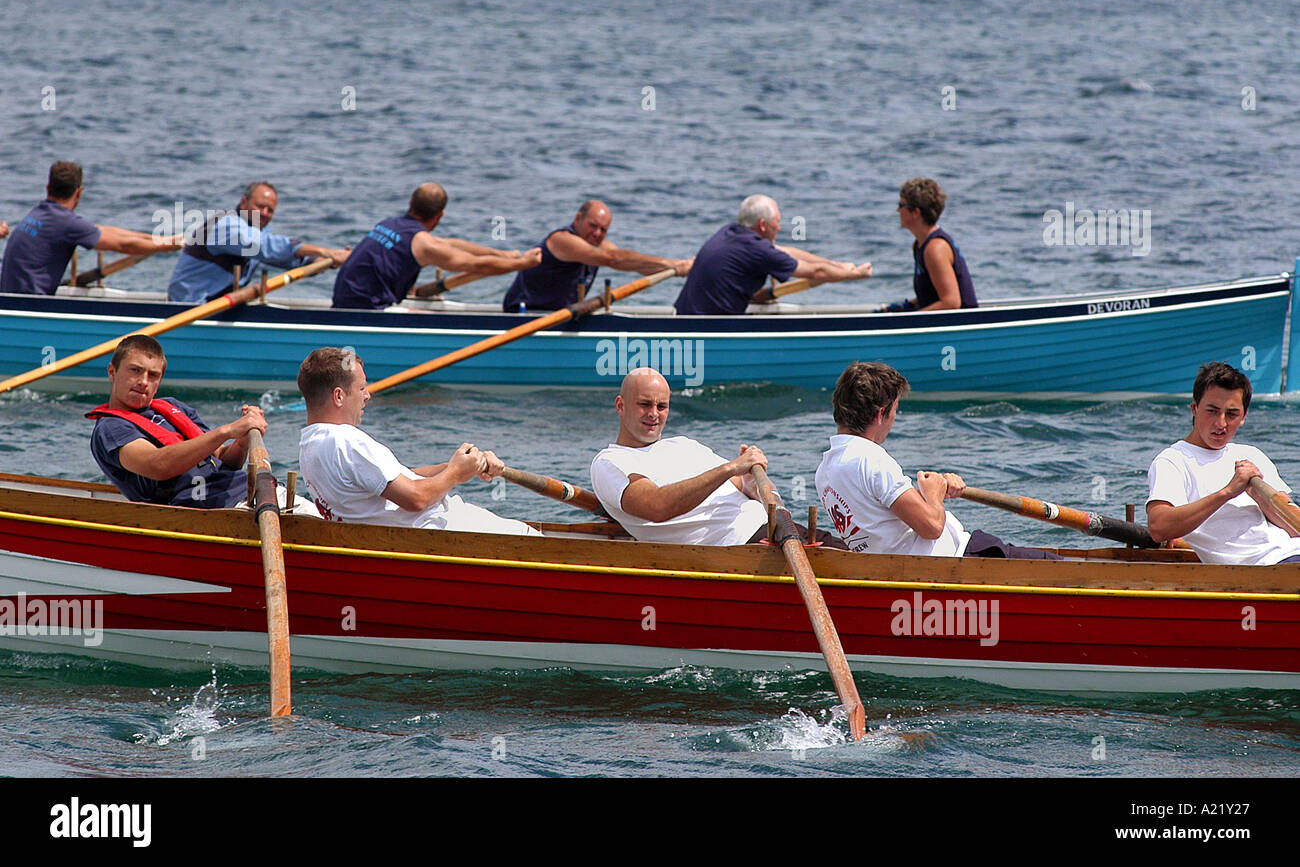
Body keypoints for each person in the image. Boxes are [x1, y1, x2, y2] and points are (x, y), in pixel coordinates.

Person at [816, 361, 1059, 558]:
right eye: (895, 411)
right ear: (881, 413)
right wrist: (933, 494)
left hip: (903, 568)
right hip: (957, 557)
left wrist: (933, 494)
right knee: (1057, 567)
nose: (894, 419)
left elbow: (881, 519)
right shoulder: (870, 459)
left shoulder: (825, 470)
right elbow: (932, 527)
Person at [296, 347, 539, 536]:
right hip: (444, 530)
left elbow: (399, 478)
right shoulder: (345, 441)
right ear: (339, 396)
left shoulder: (310, 444)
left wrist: (466, 465)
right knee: (539, 542)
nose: (368, 396)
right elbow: (416, 498)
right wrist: (455, 472)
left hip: (424, 531)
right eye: (362, 388)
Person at [589, 367, 843, 546]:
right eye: (645, 404)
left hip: (780, 532)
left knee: (861, 558)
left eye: (662, 406)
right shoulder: (611, 462)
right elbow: (657, 507)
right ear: (620, 405)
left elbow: (741, 483)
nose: (654, 413)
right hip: (741, 549)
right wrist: (731, 468)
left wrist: (750, 480)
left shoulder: (684, 445)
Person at [87, 335, 269, 509]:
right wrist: (227, 431)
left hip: (250, 492)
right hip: (211, 509)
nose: (143, 382)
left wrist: (241, 443)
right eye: (135, 370)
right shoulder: (110, 428)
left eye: (153, 375)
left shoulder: (173, 406)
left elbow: (220, 458)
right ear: (112, 372)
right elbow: (157, 464)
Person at [1146, 362, 1300, 565]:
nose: (1221, 424)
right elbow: (1159, 527)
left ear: (1244, 416)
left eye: (1232, 414)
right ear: (1194, 408)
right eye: (1212, 411)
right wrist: (1228, 492)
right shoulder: (1172, 461)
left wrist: (1261, 499)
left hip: (1291, 553)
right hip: (1261, 569)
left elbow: (1294, 526)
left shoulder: (1251, 455)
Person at [332, 182, 541, 310]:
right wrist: (523, 264)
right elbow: (477, 266)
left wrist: (502, 254)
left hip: (345, 301)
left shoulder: (389, 223)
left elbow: (449, 243)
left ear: (411, 204)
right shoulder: (423, 244)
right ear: (439, 215)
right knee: (429, 317)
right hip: (365, 309)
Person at [0, 161, 184, 295]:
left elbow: (106, 232)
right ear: (79, 192)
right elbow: (123, 246)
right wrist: (166, 246)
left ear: (48, 188)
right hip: (29, 304)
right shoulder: (65, 223)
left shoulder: (41, 212)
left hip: (11, 298)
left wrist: (160, 239)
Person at [673, 195, 872, 315]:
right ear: (762, 225)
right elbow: (817, 272)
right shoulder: (757, 250)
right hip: (711, 328)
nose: (780, 227)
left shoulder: (729, 231)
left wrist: (834, 264)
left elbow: (784, 252)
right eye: (777, 222)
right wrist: (856, 274)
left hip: (684, 317)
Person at [167, 181, 351, 303]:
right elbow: (266, 246)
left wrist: (331, 262)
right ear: (244, 202)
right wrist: (326, 251)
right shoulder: (226, 225)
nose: (264, 213)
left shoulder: (255, 230)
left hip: (217, 306)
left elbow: (290, 261)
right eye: (259, 206)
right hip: (188, 305)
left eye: (270, 210)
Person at [502, 200, 691, 312]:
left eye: (603, 230)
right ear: (578, 219)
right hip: (523, 315)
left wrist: (679, 268)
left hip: (557, 316)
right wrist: (672, 263)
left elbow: (634, 265)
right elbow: (612, 258)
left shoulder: (598, 246)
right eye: (593, 226)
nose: (598, 234)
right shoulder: (562, 240)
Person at [878, 178, 977, 312]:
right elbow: (931, 294)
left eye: (901, 205)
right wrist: (906, 306)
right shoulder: (919, 245)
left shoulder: (935, 249)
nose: (897, 210)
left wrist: (908, 320)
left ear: (916, 213)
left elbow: (951, 302)